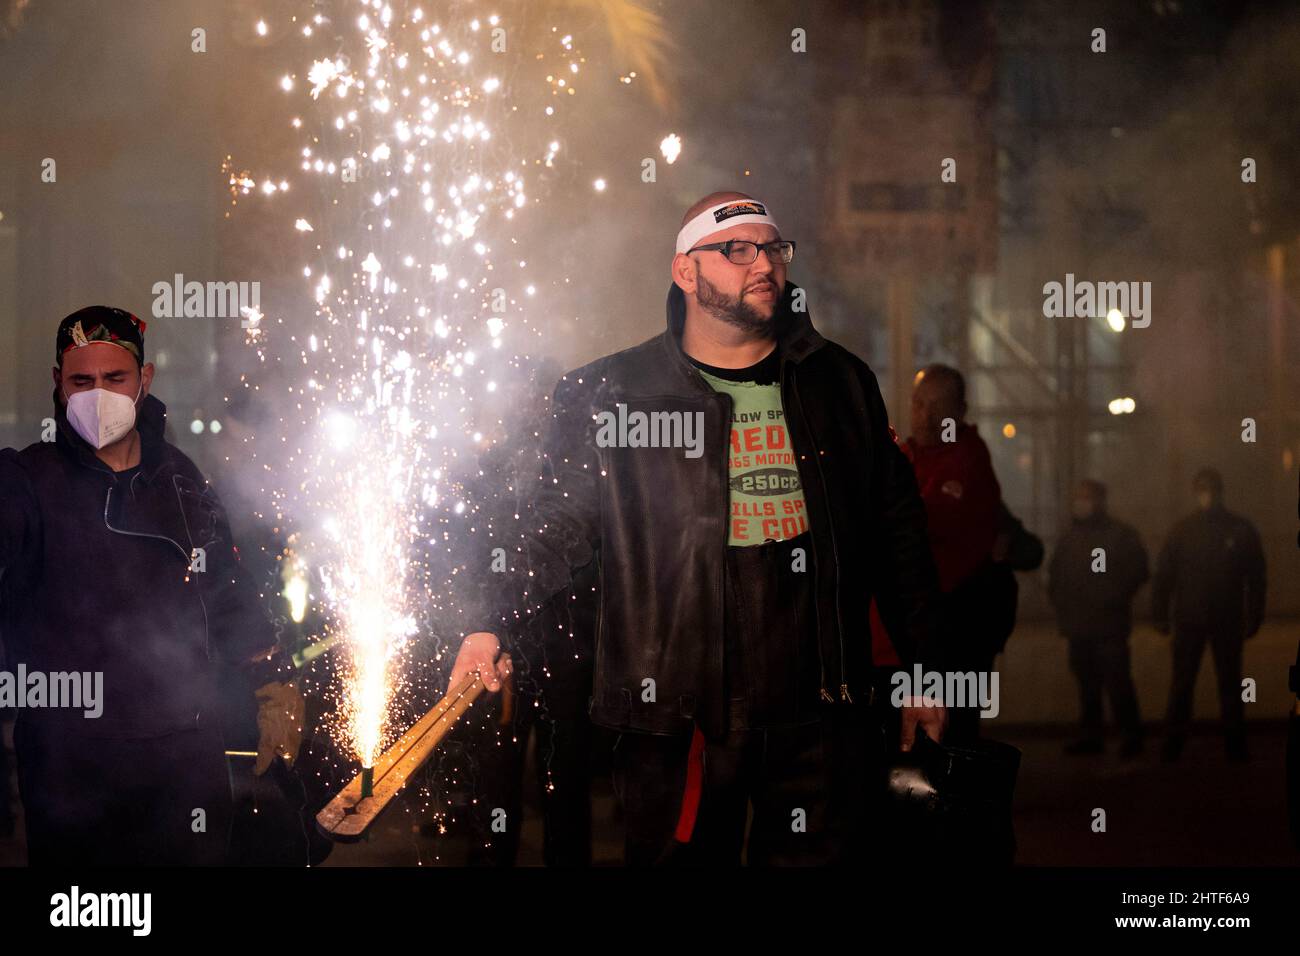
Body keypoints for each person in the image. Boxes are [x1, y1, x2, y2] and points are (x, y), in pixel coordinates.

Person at [448, 191, 948, 865]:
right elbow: (556, 526)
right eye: (735, 250)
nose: (763, 263)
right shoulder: (612, 393)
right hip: (674, 720)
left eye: (772, 248)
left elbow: (898, 535)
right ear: (685, 272)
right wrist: (488, 621)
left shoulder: (838, 382)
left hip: (821, 709)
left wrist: (926, 668)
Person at [0, 306, 302, 865]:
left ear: (145, 379)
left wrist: (272, 680)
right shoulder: (25, 482)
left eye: (114, 379)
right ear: (58, 384)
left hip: (183, 757)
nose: (98, 395)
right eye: (81, 381)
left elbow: (227, 589)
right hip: (70, 764)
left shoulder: (181, 480)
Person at [900, 364, 1005, 745]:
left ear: (959, 410)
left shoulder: (969, 460)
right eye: (918, 403)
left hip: (962, 623)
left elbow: (925, 521)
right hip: (921, 623)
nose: (925, 415)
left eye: (936, 405)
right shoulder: (906, 457)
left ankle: (960, 802)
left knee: (957, 731)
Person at [1152, 467, 1265, 763]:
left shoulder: (1223, 529)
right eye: (1203, 490)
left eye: (1210, 489)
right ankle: (1216, 745)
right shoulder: (1226, 529)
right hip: (1199, 619)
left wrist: (1254, 615)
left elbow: (1256, 576)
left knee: (1218, 684)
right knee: (1190, 685)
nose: (1207, 495)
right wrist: (1159, 613)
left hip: (1213, 619)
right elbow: (1164, 575)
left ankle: (1185, 746)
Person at [1047, 480, 1148, 757]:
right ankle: (1092, 737)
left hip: (1109, 625)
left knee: (1118, 683)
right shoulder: (1070, 538)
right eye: (1078, 497)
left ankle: (1130, 736)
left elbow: (1138, 570)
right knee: (1087, 686)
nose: (1082, 503)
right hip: (1079, 626)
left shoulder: (1120, 535)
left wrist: (1111, 597)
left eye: (1087, 497)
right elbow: (1056, 576)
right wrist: (1063, 606)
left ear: (1101, 501)